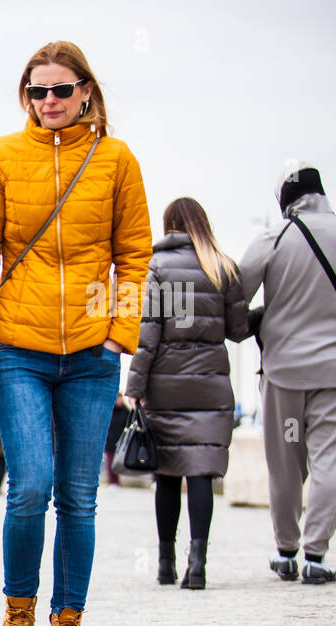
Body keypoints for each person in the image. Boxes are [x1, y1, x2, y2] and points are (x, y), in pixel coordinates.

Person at [0, 40, 151, 626]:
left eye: (61, 90)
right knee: (29, 487)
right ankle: (17, 618)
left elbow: (135, 255)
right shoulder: (0, 157)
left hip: (93, 355)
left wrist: (122, 332)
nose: (49, 102)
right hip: (18, 349)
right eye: (38, 91)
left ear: (86, 91)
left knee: (79, 496)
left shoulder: (117, 160)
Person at [125, 198, 249, 589]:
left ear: (169, 226)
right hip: (211, 382)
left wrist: (135, 386)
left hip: (167, 382)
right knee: (200, 471)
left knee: (166, 472)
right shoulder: (223, 266)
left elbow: (149, 334)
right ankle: (198, 564)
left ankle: (165, 563)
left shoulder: (157, 267)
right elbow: (238, 329)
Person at [240, 164, 336, 585]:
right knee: (330, 461)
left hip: (284, 376)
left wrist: (251, 325)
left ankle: (285, 551)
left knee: (286, 461)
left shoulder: (275, 238)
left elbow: (236, 294)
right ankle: (316, 556)